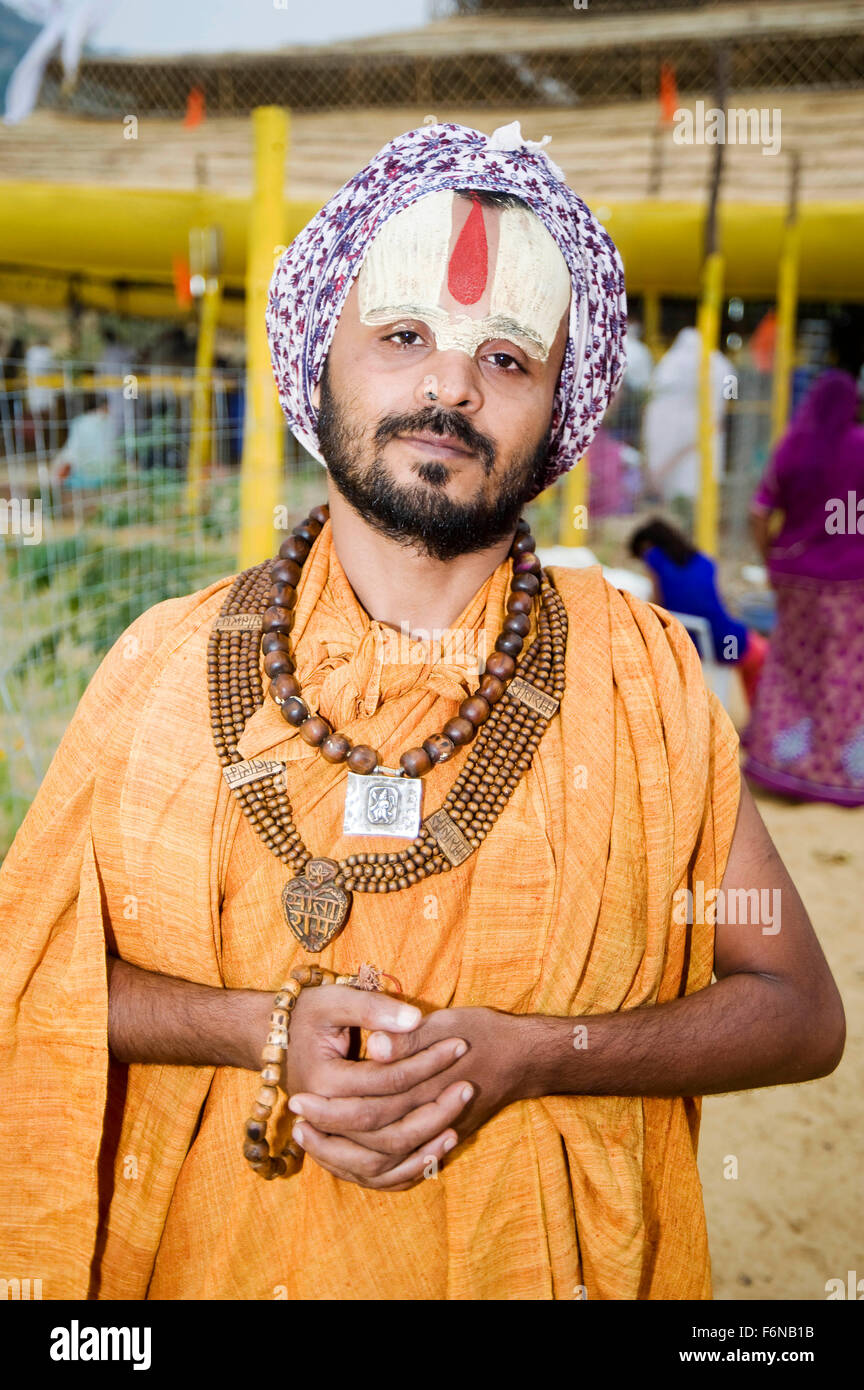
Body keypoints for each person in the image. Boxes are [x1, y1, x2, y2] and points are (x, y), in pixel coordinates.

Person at [0, 120, 844, 1302]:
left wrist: (542, 1056)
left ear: (559, 409)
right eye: (403, 335)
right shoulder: (165, 663)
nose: (450, 381)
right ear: (315, 357)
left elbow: (799, 1014)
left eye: (507, 357)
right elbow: (28, 969)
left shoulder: (643, 677)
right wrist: (259, 1028)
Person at [746, 367, 864, 805]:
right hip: (853, 583)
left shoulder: (793, 445)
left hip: (795, 577)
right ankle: (842, 771)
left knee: (791, 668)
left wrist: (771, 557)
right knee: (846, 675)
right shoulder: (860, 447)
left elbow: (758, 513)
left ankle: (782, 763)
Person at [630, 517, 768, 705]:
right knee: (763, 656)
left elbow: (656, 605)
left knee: (760, 656)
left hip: (693, 637)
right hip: (720, 636)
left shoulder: (654, 557)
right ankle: (760, 719)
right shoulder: (703, 561)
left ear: (646, 545)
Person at [642, 326, 732, 530]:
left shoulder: (669, 365)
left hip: (689, 442)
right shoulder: (719, 364)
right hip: (703, 440)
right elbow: (728, 398)